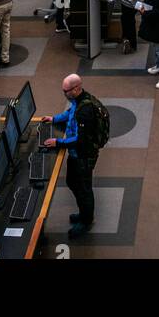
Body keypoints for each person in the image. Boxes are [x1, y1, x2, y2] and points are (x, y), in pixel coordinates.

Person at [43, 73, 109, 240]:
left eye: (66, 91)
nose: (64, 94)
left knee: (84, 188)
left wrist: (58, 142)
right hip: (75, 155)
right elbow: (70, 113)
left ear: (77, 88)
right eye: (63, 91)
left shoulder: (85, 111)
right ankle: (83, 212)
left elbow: (80, 140)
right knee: (72, 182)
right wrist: (54, 118)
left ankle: (86, 220)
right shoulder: (78, 100)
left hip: (84, 155)